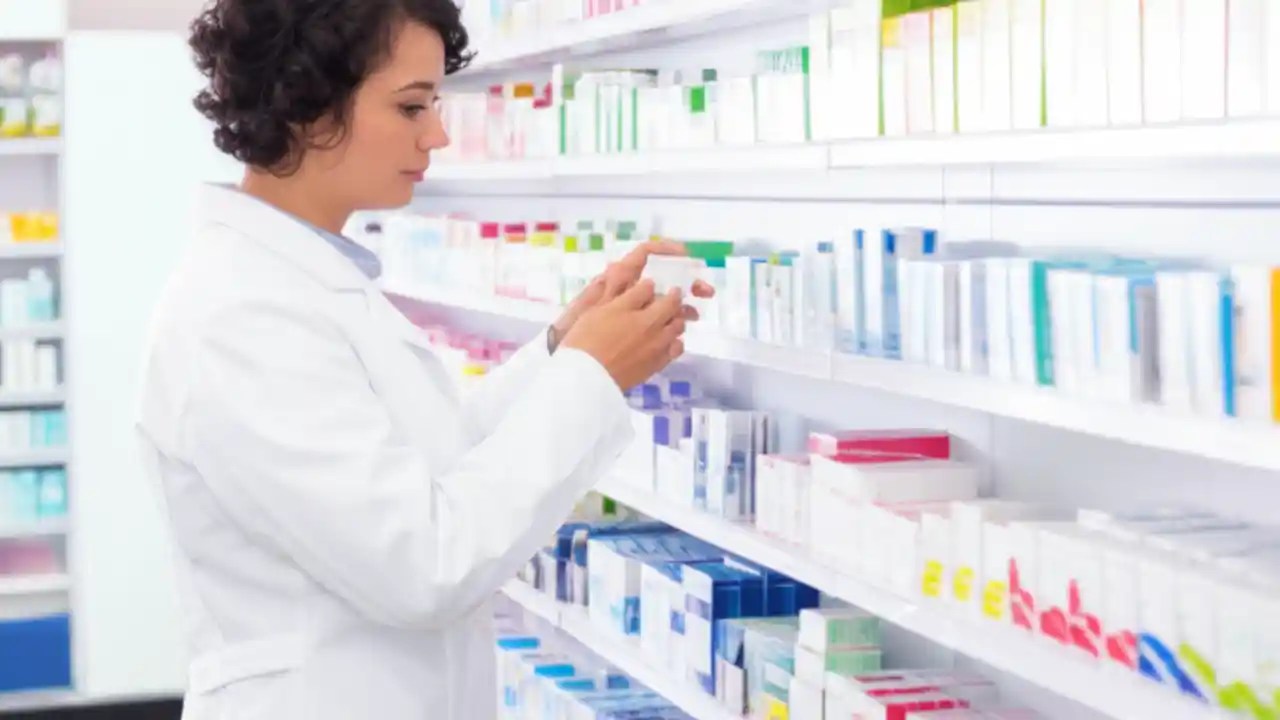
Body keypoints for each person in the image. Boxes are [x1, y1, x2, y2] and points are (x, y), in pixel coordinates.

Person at [135, 1, 712, 718]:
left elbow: (432, 466)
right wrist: (591, 377)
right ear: (310, 107)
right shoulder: (241, 313)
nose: (437, 134)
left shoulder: (307, 277)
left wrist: (566, 346)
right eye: (412, 106)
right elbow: (424, 563)